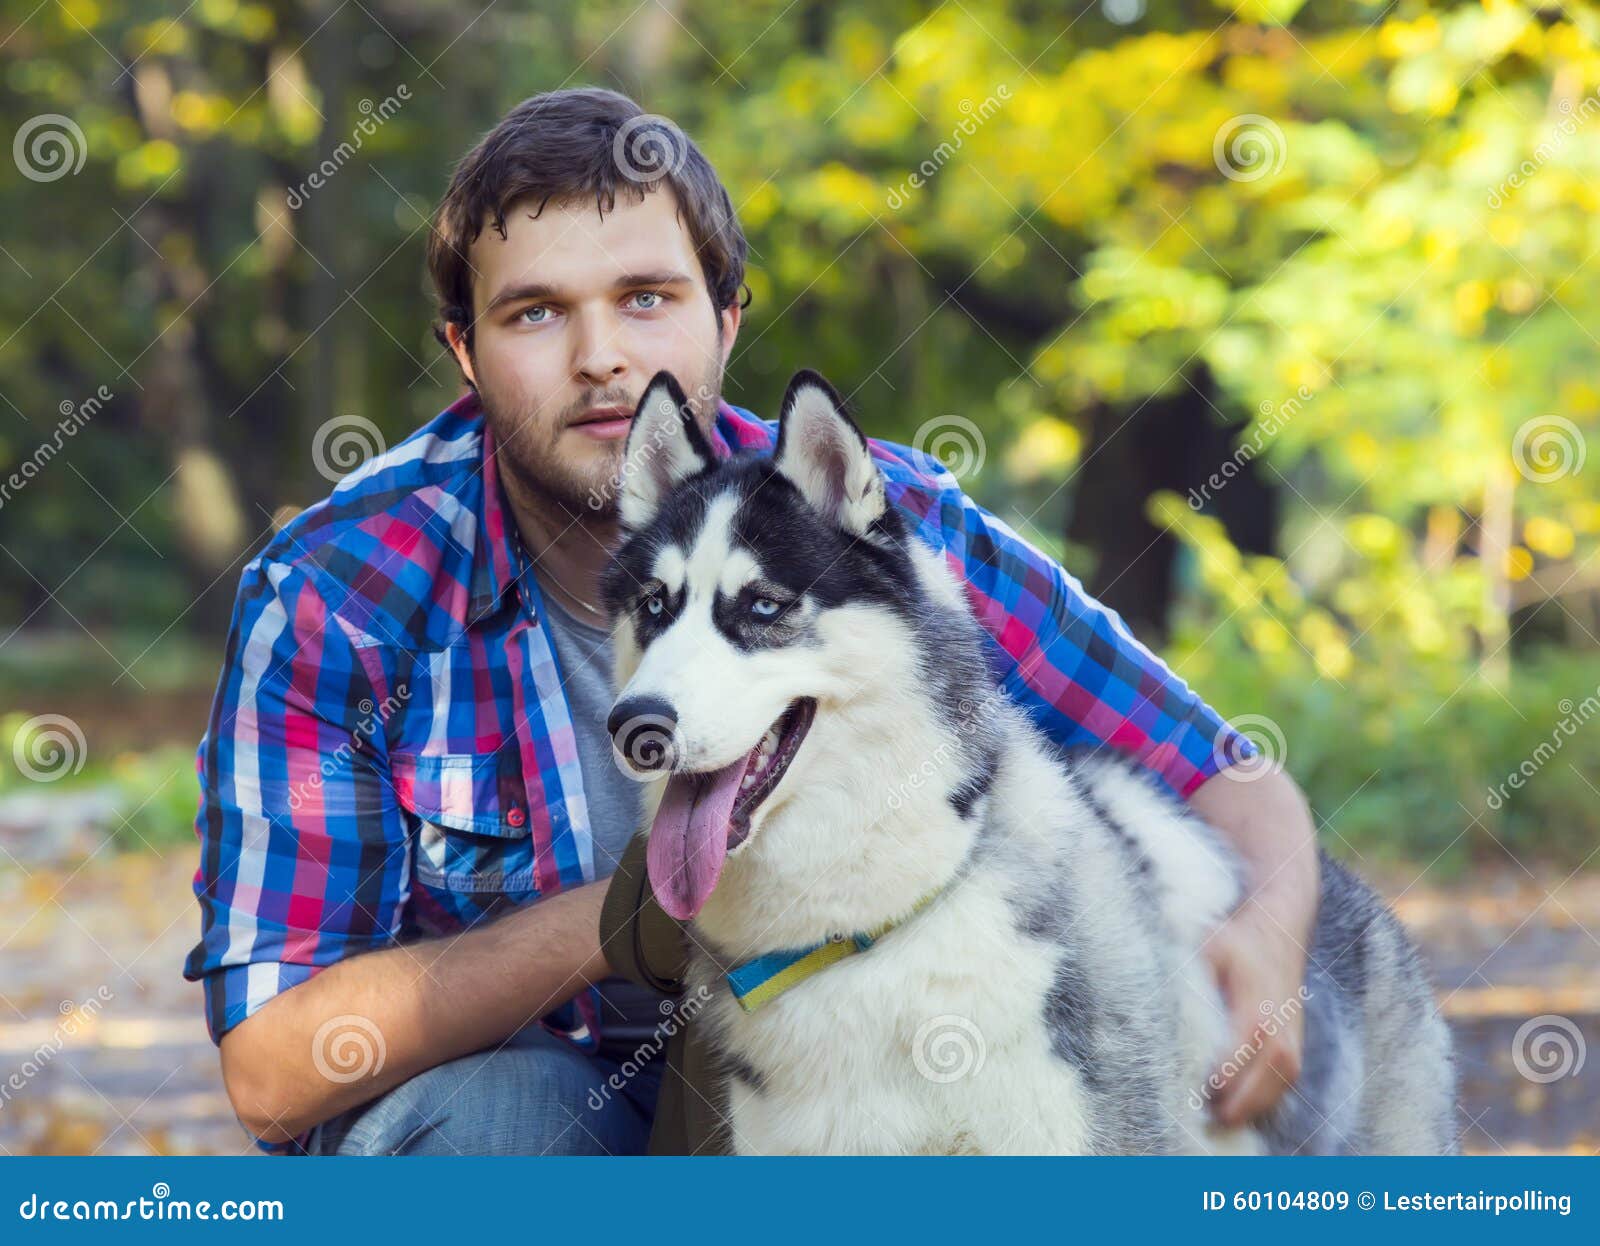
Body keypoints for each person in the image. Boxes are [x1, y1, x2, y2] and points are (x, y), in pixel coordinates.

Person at [184, 87, 1320, 1156]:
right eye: (535, 312)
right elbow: (274, 1065)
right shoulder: (345, 593)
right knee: (508, 1119)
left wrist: (1270, 940)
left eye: (645, 297)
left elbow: (1221, 767)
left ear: (724, 316)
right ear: (463, 352)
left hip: (847, 1084)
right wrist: (619, 921)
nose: (601, 357)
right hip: (547, 1121)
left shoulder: (871, 521)